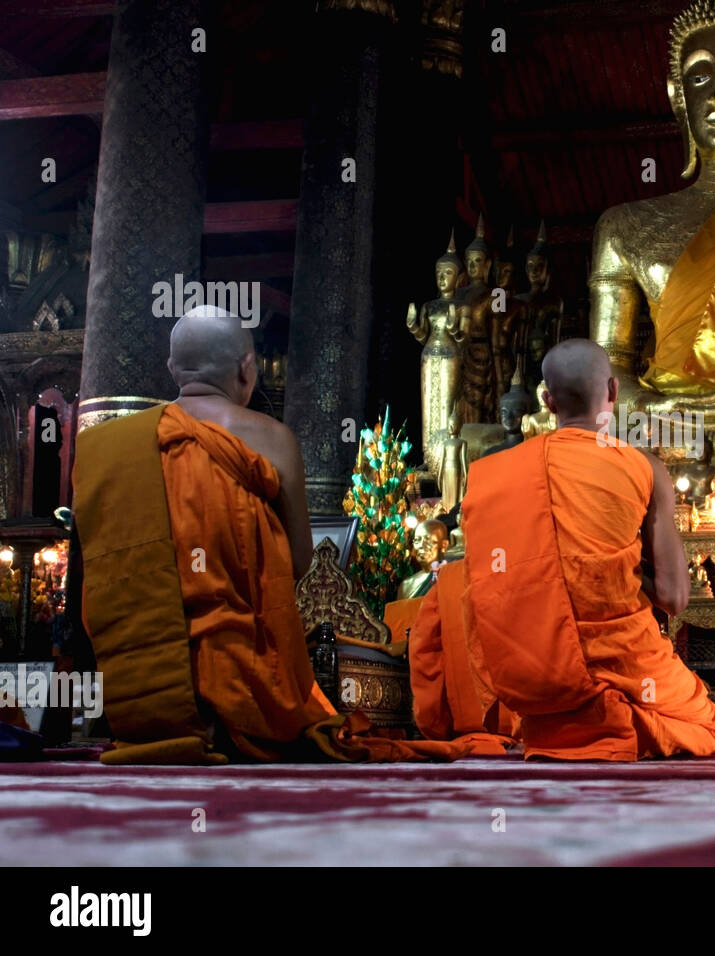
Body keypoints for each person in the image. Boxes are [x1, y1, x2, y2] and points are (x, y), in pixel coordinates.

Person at [73, 306, 465, 765]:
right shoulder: (270, 438)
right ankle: (227, 716)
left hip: (142, 691)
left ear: (172, 368)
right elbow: (301, 561)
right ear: (247, 369)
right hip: (245, 681)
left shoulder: (115, 448)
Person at [413, 339, 715, 760]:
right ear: (614, 391)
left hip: (536, 682)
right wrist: (626, 565)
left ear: (546, 400)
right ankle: (616, 718)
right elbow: (674, 597)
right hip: (628, 668)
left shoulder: (491, 473)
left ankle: (570, 721)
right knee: (704, 726)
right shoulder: (643, 466)